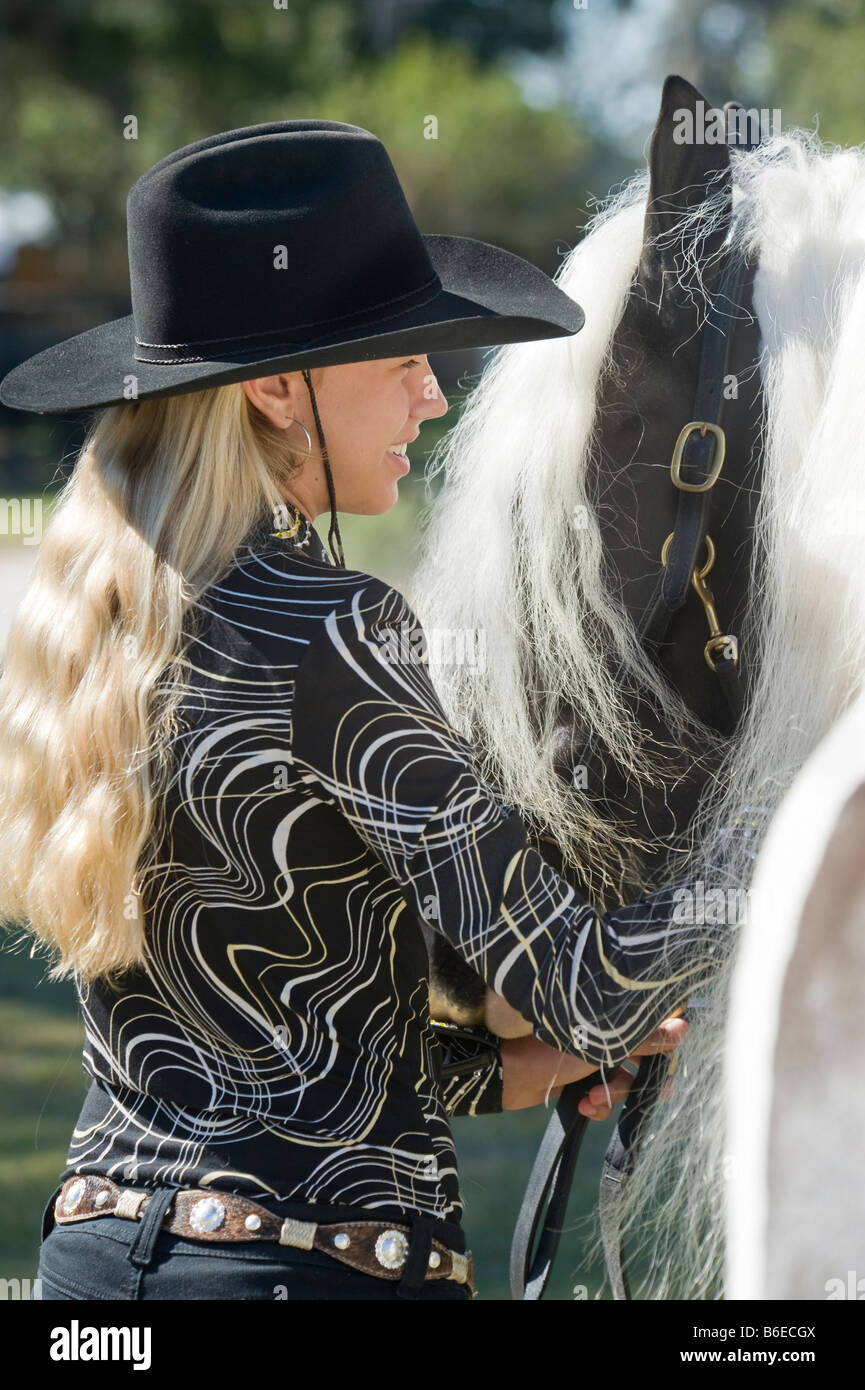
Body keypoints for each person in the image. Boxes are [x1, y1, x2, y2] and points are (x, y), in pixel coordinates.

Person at [0, 121, 721, 1301]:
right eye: (397, 360)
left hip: (91, 1270)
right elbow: (588, 977)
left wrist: (534, 1064)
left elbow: (302, 1044)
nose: (432, 398)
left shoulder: (105, 613)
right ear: (280, 390)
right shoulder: (334, 629)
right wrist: (778, 835)